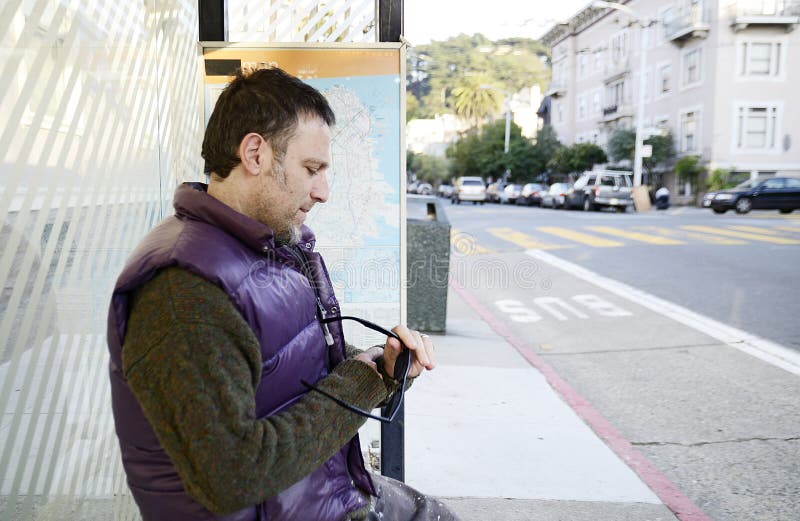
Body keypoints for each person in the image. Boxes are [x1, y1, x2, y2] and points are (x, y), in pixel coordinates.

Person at [107, 67, 459, 521]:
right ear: (255, 152)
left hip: (318, 495)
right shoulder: (184, 293)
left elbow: (283, 364)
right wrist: (362, 383)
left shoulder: (258, 246)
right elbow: (232, 475)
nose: (324, 191)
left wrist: (381, 365)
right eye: (311, 169)